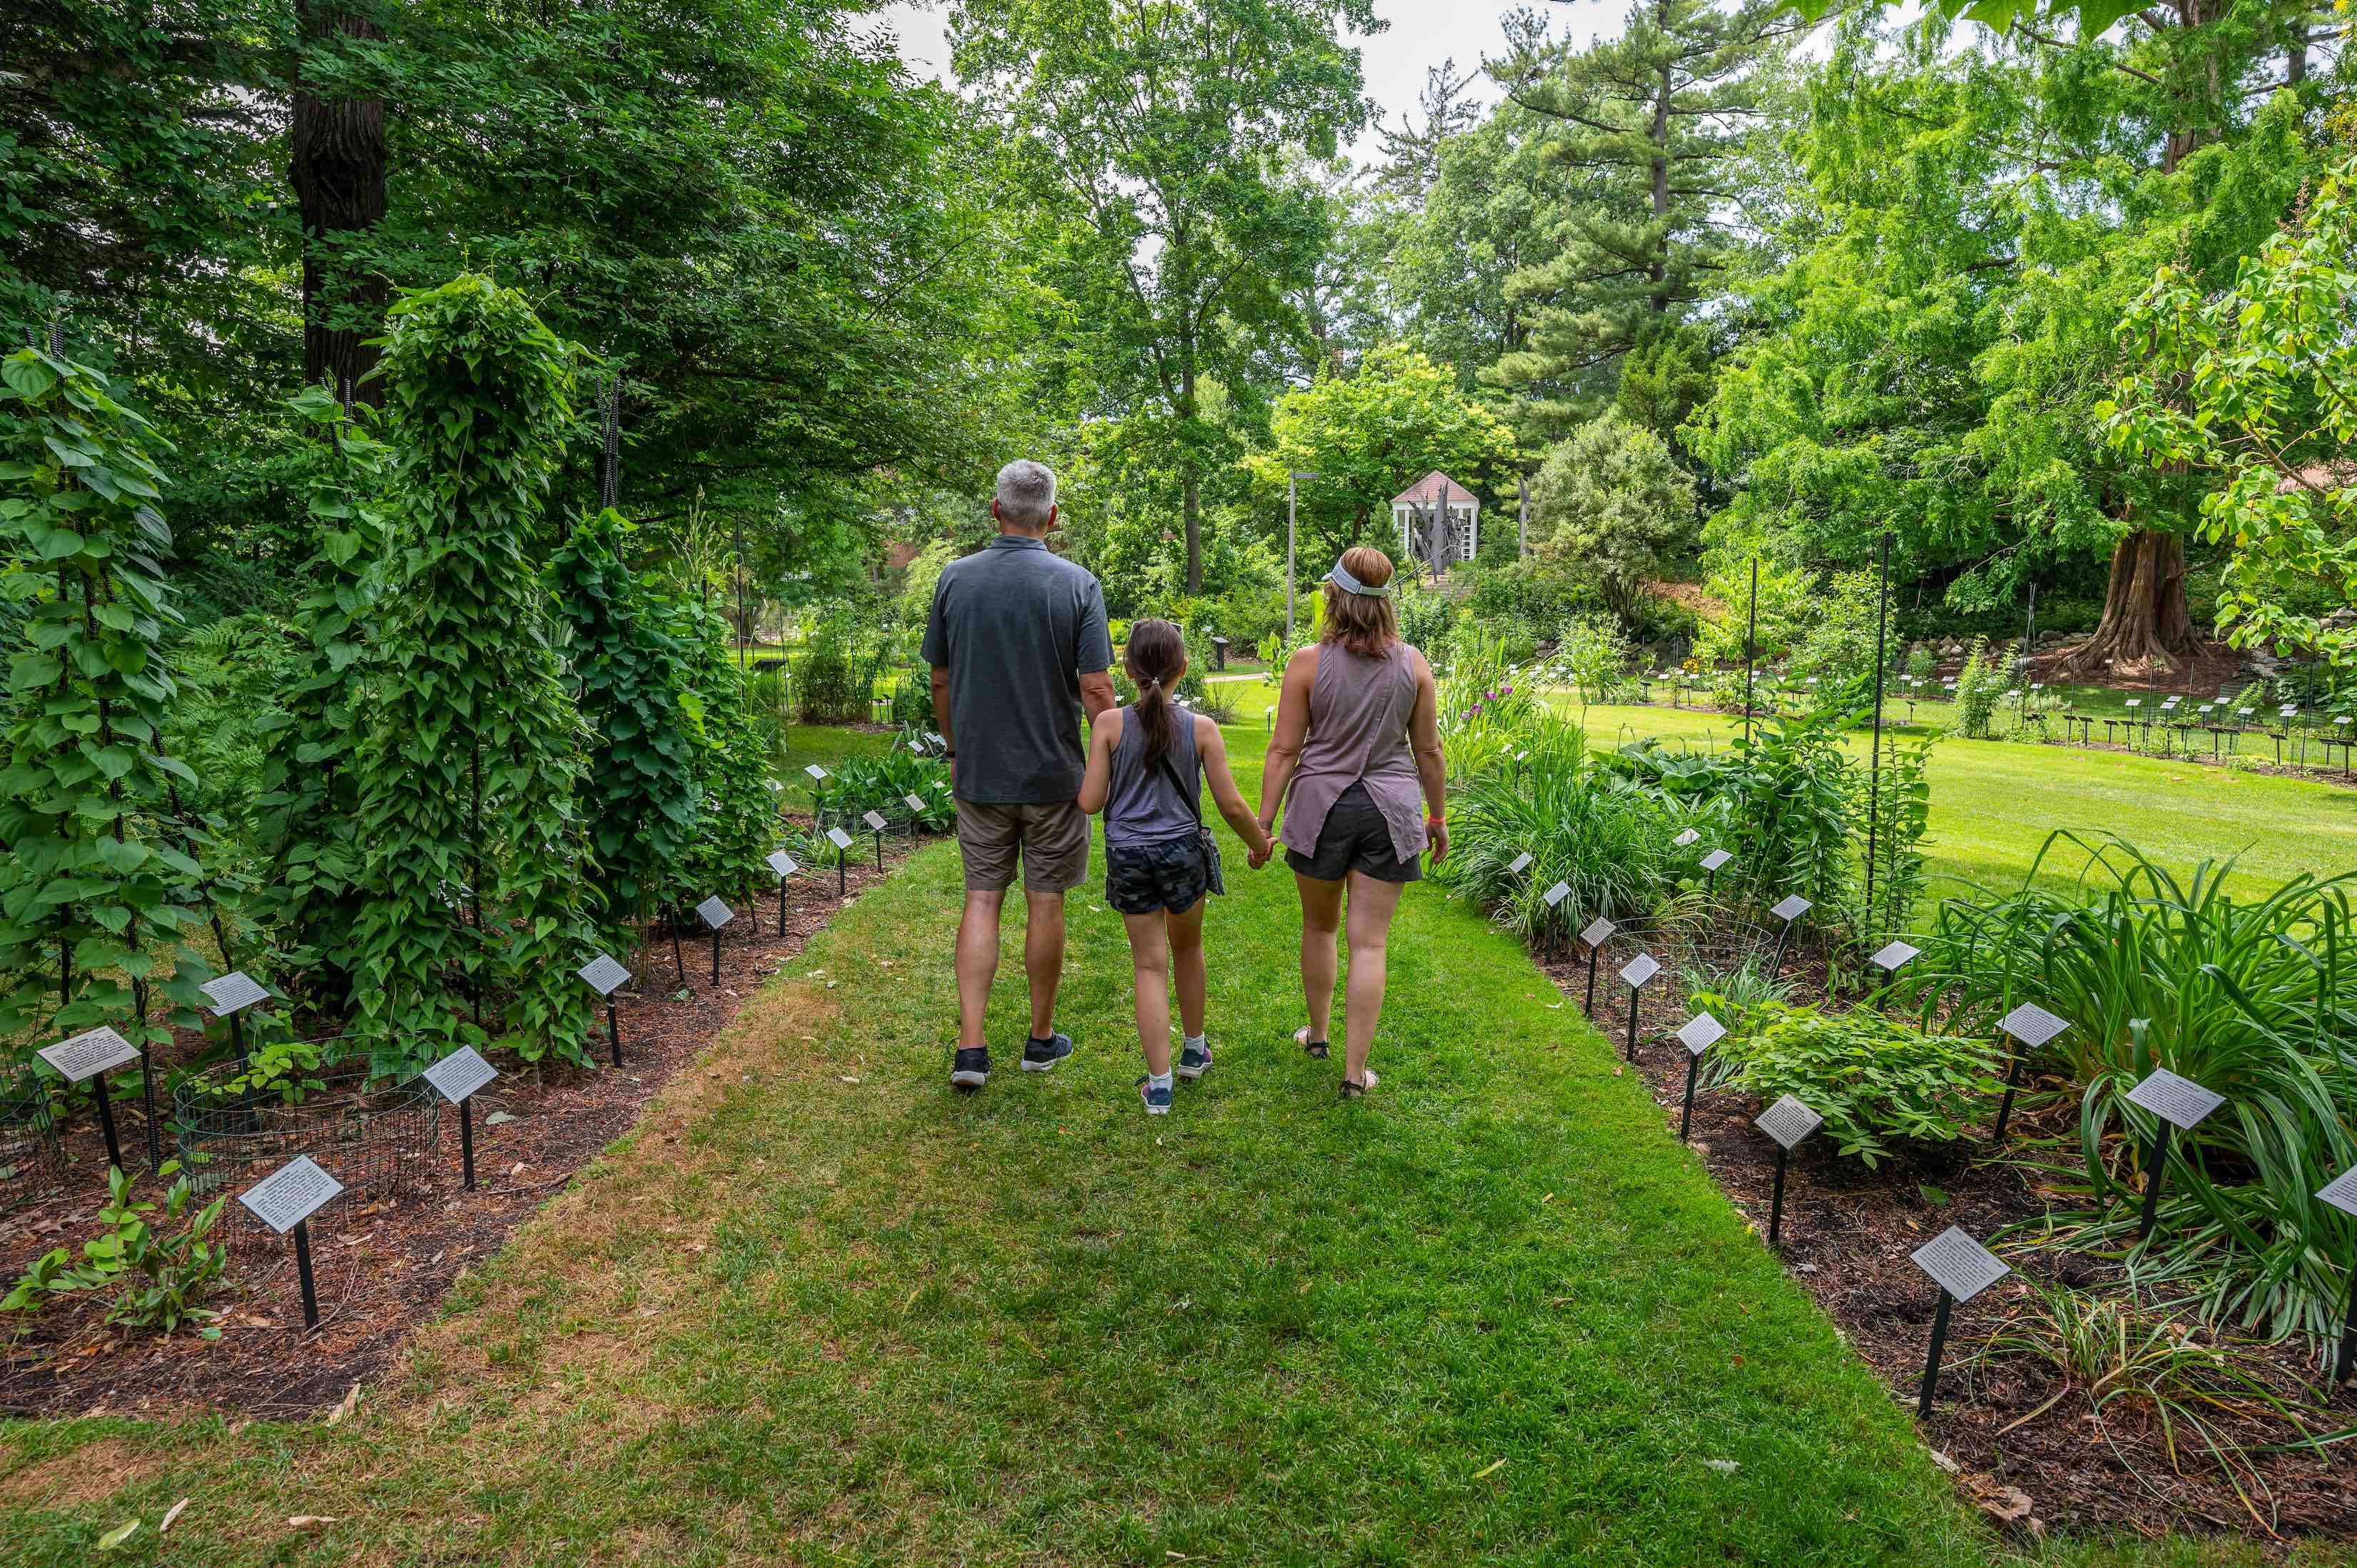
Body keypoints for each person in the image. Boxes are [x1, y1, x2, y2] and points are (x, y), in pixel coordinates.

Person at [923, 459, 1117, 1092]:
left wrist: (957, 748)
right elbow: (1095, 686)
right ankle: (1039, 1040)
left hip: (980, 776)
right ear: (1053, 518)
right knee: (1045, 899)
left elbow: (941, 679)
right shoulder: (1078, 585)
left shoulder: (955, 580)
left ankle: (971, 1049)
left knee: (981, 898)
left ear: (995, 510)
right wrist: (1111, 759)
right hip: (1056, 776)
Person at [1256, 546, 1447, 1097]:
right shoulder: (1414, 665)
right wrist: (1436, 817)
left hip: (1322, 809)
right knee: (1370, 945)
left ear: (1334, 596)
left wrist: (1265, 824)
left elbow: (1283, 750)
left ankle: (1317, 1035)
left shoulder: (1306, 663)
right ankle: (1353, 1073)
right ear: (1387, 601)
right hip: (1390, 812)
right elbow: (1429, 752)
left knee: (1320, 927)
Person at [1077, 620, 1273, 1115]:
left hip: (1129, 856)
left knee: (1148, 964)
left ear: (1127, 669)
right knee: (1188, 950)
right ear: (1183, 669)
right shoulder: (1202, 729)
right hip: (1183, 854)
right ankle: (1194, 1050)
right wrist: (1259, 844)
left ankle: (1159, 1084)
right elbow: (1230, 806)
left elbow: (1090, 802)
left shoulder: (1108, 725)